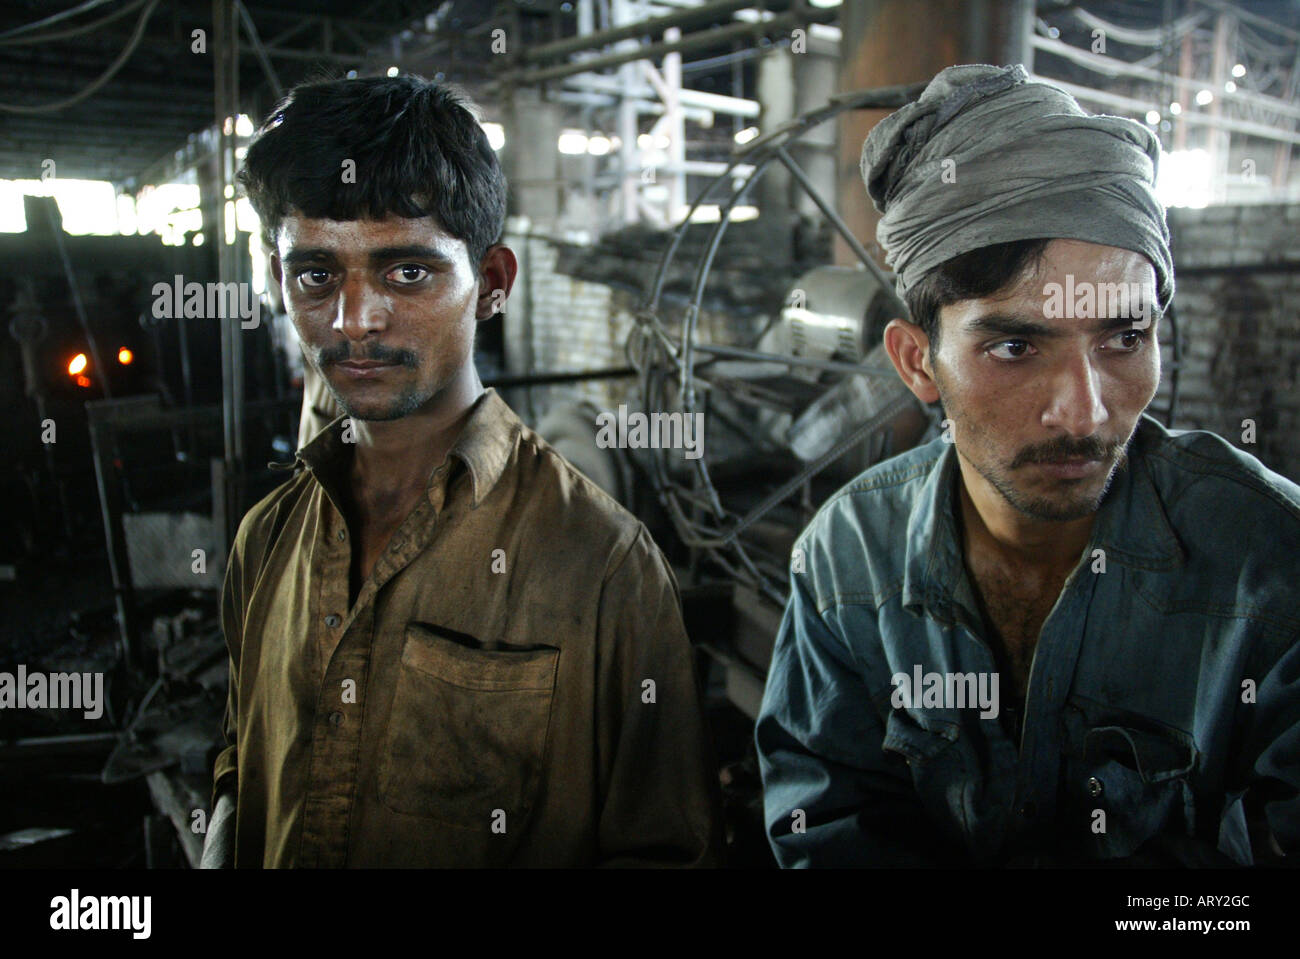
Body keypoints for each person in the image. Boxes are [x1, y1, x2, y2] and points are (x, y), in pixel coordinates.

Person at [755, 64, 1300, 866]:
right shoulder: (847, 562)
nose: (1083, 412)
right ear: (917, 363)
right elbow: (827, 826)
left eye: (1123, 339)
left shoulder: (1270, 563)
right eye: (1015, 346)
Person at [200, 75, 723, 868]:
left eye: (407, 273)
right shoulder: (265, 541)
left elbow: (663, 848)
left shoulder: (601, 565)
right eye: (316, 274)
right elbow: (243, 768)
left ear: (494, 284)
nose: (355, 319)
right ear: (280, 282)